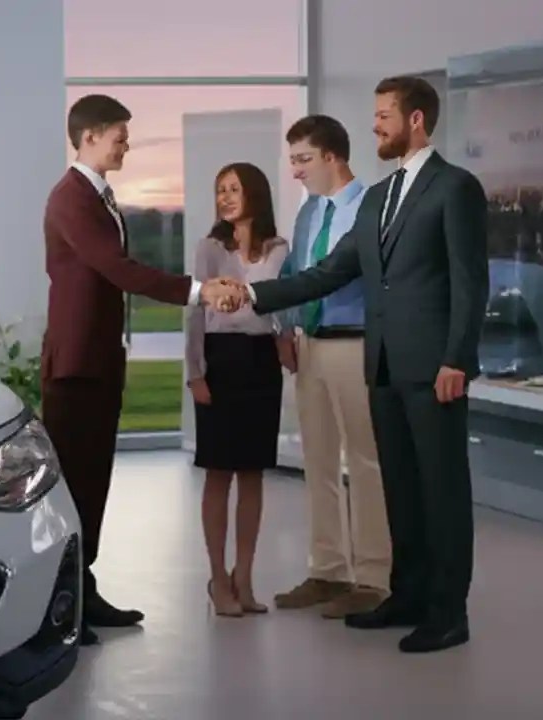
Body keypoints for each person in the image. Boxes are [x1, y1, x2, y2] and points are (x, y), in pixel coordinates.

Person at [216, 76, 489, 653]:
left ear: (416, 120)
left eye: (385, 115)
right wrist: (256, 296)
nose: (375, 126)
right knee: (401, 488)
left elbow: (470, 282)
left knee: (442, 492)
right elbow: (331, 272)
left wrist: (457, 359)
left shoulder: (455, 187)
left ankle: (448, 613)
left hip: (433, 366)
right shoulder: (381, 197)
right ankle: (407, 595)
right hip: (383, 365)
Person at [41, 94, 239, 645]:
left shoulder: (98, 197)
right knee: (76, 486)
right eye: (119, 135)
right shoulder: (71, 197)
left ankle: (84, 590)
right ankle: (64, 605)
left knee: (95, 482)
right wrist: (199, 291)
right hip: (77, 365)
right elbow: (117, 269)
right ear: (89, 137)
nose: (127, 144)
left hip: (99, 360)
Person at [272, 115, 393, 619]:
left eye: (303, 159)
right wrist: (283, 327)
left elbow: (339, 275)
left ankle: (374, 577)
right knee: (317, 461)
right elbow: (294, 272)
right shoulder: (308, 215)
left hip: (355, 345)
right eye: (293, 160)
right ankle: (327, 570)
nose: (296, 171)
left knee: (365, 463)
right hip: (311, 346)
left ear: (332, 157)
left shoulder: (371, 207)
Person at [185, 162, 290, 617]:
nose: (225, 197)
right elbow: (193, 312)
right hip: (219, 360)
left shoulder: (279, 248)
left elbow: (279, 306)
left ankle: (243, 577)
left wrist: (288, 342)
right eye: (219, 189)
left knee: (253, 473)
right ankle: (216, 576)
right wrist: (195, 371)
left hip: (261, 361)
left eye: (234, 189)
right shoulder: (210, 248)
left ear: (256, 195)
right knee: (217, 472)